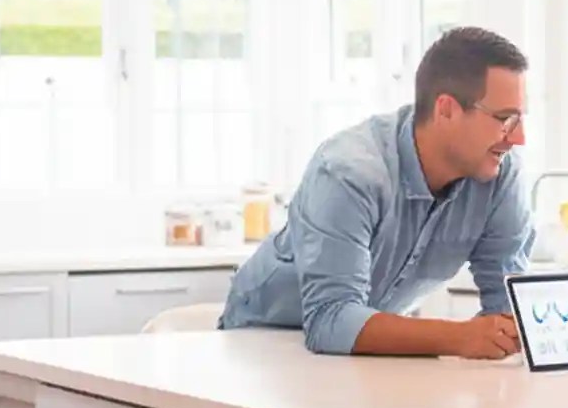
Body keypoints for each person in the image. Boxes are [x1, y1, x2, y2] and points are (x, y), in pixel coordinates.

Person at [219, 26, 535, 358]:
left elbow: (506, 302)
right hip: (260, 347)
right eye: (505, 119)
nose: (518, 138)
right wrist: (460, 337)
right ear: (446, 110)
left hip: (359, 350)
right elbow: (331, 320)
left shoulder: (500, 173)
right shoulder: (349, 171)